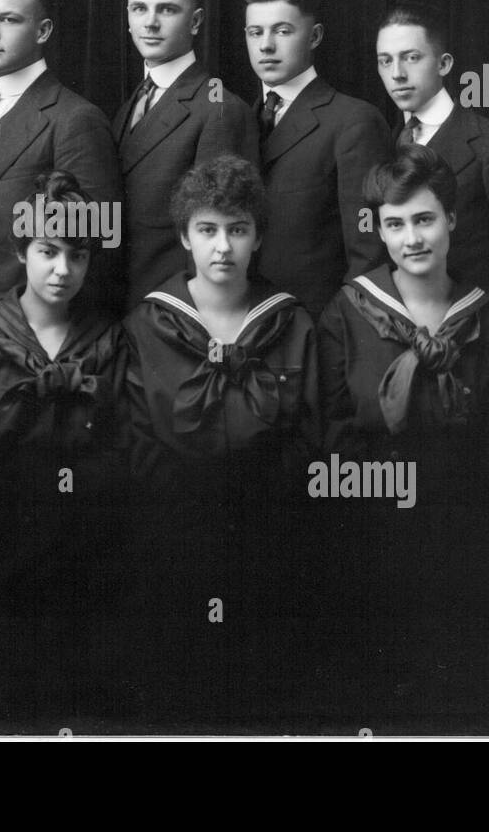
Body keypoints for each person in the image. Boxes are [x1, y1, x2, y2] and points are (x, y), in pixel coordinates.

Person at [316, 145, 489, 701]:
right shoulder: (347, 311)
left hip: (461, 525)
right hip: (371, 524)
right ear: (379, 231)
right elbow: (333, 427)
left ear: (451, 221)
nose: (412, 239)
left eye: (425, 220)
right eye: (396, 224)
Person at [123, 155, 319, 723]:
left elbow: (309, 432)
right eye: (207, 231)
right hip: (176, 530)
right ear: (185, 237)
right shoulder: (148, 324)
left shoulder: (292, 323)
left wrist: (260, 497)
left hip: (267, 527)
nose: (223, 248)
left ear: (258, 237)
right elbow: (136, 436)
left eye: (237, 230)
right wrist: (189, 502)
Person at [0, 170, 128, 721]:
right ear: (20, 248)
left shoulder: (107, 337)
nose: (62, 270)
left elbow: (122, 444)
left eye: (77, 256)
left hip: (86, 543)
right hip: (1, 542)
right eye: (48, 251)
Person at [376, 2, 489, 408]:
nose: (397, 73)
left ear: (443, 64)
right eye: (385, 61)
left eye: (411, 57)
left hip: (483, 363)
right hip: (406, 360)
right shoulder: (388, 144)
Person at [0, 0, 121, 315]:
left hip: (23, 338)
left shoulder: (75, 120)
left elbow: (98, 248)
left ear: (43, 31)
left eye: (8, 19)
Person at [113, 0, 257, 309]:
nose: (150, 22)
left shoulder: (218, 107)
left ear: (195, 22)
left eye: (166, 10)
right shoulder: (132, 101)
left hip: (174, 307)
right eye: (139, 8)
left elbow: (216, 232)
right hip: (121, 300)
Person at [246, 0, 388, 323]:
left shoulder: (353, 121)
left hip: (316, 333)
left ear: (314, 36)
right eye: (255, 32)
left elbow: (369, 255)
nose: (266, 45)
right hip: (244, 328)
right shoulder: (238, 120)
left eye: (282, 31)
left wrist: (336, 337)